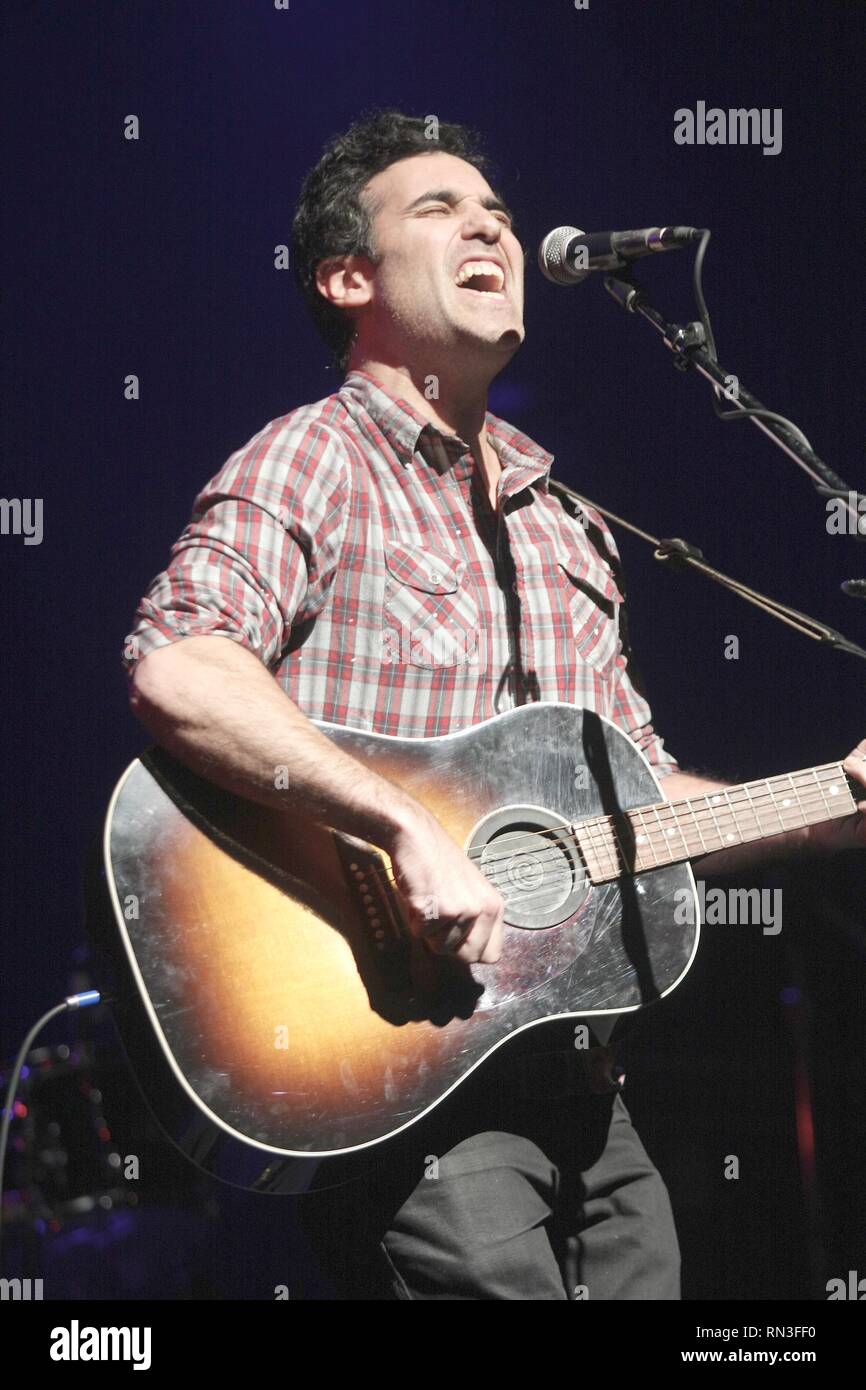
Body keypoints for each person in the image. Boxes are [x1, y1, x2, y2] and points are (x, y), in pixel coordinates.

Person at [122, 110, 866, 1300]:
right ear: (345, 277)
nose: (489, 228)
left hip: (576, 1082)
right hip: (394, 1055)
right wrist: (401, 828)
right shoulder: (312, 459)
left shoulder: (565, 520)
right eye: (440, 210)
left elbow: (632, 795)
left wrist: (833, 803)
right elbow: (179, 664)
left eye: (499, 216)